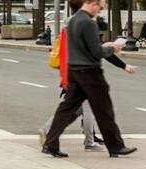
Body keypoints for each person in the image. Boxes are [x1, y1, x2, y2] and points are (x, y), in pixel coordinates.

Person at [43, 0, 137, 158]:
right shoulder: (88, 22)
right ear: (93, 4)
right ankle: (116, 146)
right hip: (90, 72)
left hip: (74, 70)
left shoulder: (71, 21)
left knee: (66, 109)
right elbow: (95, 51)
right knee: (104, 110)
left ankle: (50, 143)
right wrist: (111, 48)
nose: (99, 11)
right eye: (99, 7)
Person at [39, 13, 103, 151]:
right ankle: (89, 142)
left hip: (70, 77)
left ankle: (48, 131)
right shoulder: (79, 40)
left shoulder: (64, 38)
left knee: (72, 109)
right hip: (81, 78)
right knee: (88, 109)